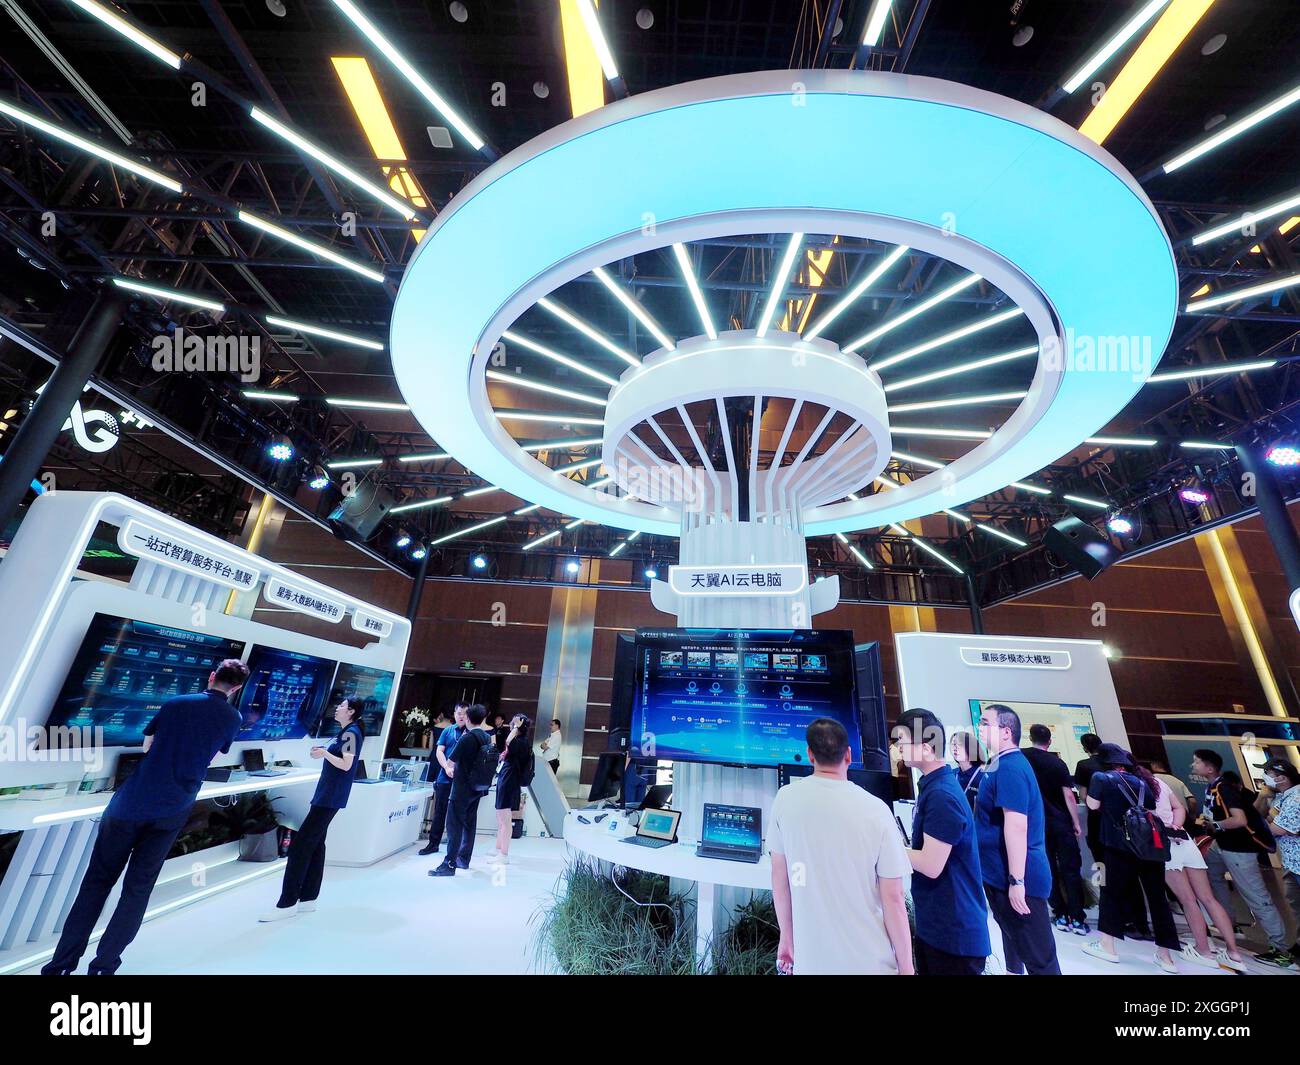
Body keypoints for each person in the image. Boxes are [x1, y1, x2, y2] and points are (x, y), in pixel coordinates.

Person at [42, 659, 249, 975]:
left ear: (211, 676)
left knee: (96, 884)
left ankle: (60, 966)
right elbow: (218, 752)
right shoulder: (232, 718)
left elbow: (147, 745)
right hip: (173, 808)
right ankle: (104, 966)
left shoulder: (176, 703)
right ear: (236, 688)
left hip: (131, 804)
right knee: (138, 889)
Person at [769, 718, 913, 975]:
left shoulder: (785, 800)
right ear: (848, 754)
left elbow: (781, 880)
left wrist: (787, 938)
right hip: (870, 963)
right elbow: (893, 898)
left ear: (810, 755)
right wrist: (906, 967)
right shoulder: (876, 810)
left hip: (812, 961)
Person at [894, 708, 990, 975]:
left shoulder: (942, 796)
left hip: (953, 934)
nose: (898, 748)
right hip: (940, 925)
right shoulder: (934, 787)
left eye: (902, 742)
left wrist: (886, 846)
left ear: (925, 748)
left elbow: (931, 864)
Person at [974, 703, 1060, 975]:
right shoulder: (1001, 764)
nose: (980, 727)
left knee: (1039, 958)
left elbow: (1017, 826)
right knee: (1022, 949)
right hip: (1001, 875)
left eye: (986, 723)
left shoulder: (1010, 767)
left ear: (1006, 731)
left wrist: (1016, 880)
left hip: (1018, 878)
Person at [261, 699, 365, 921]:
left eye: (342, 705)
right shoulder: (347, 732)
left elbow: (346, 765)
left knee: (300, 847)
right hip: (328, 794)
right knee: (316, 845)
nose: (337, 707)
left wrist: (325, 754)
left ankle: (287, 902)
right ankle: (308, 899)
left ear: (352, 711)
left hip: (330, 796)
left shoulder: (351, 733)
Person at [1082, 744, 1181, 973]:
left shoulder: (1101, 778)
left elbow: (1093, 805)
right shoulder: (1144, 781)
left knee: (1111, 892)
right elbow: (1150, 808)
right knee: (1157, 899)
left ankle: (1108, 945)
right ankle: (1166, 956)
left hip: (1118, 844)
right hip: (1149, 846)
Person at [1195, 748, 1294, 968]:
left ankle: (1280, 950)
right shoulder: (1214, 787)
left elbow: (1240, 820)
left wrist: (1216, 825)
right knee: (1211, 876)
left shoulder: (1224, 788)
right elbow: (1255, 812)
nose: (1193, 766)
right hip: (1222, 845)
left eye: (1197, 762)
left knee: (1257, 897)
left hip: (1239, 849)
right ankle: (1228, 923)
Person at [1158, 761, 1247, 971]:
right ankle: (1234, 953)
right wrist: (1176, 825)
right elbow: (1180, 807)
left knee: (1188, 900)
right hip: (1184, 839)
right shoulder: (1159, 783)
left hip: (1164, 843)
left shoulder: (1135, 786)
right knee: (1208, 898)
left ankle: (1203, 950)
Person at [1021, 724, 1089, 935]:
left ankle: (1059, 913)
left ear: (1030, 738)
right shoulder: (1057, 763)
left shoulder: (1022, 758)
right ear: (1049, 741)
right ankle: (1077, 918)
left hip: (1036, 824)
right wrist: (1076, 823)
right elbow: (1069, 795)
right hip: (1061, 823)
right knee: (1070, 869)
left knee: (1047, 868)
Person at [430, 704, 496, 877]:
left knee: (454, 826)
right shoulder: (486, 737)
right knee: (469, 824)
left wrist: (449, 768)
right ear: (482, 719)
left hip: (461, 789)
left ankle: (449, 864)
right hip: (477, 788)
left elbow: (450, 762)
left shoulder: (467, 738)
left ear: (467, 718)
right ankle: (463, 860)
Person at [1263, 759, 1300, 962]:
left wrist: (1264, 825)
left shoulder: (1296, 798)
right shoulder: (1282, 797)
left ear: (1282, 777)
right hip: (1292, 863)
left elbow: (1278, 828)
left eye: (1268, 773)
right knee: (1296, 905)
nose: (1265, 778)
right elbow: (1271, 817)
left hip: (1298, 863)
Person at [418, 704, 466, 856]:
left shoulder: (471, 733)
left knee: (459, 814)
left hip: (462, 780)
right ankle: (433, 843)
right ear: (454, 713)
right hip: (445, 777)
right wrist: (446, 767)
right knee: (439, 812)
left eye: (465, 714)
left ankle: (456, 847)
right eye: (459, 713)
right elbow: (439, 750)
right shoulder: (448, 730)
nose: (461, 716)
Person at [491, 714, 533, 864]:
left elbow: (508, 741)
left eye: (515, 721)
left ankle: (504, 854)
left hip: (510, 781)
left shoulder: (521, 742)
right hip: (505, 778)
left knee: (505, 819)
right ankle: (498, 850)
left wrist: (516, 727)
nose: (512, 723)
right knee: (500, 817)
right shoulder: (518, 741)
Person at [951, 731, 984, 808]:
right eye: (954, 744)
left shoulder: (983, 776)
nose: (955, 748)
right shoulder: (952, 774)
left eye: (960, 745)